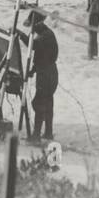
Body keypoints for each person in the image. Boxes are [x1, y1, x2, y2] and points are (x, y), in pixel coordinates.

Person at [24, 9, 59, 142]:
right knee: (47, 103)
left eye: (33, 26)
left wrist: (21, 35)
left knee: (39, 103)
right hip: (46, 72)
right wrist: (32, 71)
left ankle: (36, 135)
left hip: (47, 74)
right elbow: (40, 56)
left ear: (38, 24)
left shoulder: (46, 35)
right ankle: (48, 132)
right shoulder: (43, 34)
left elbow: (33, 46)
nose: (32, 29)